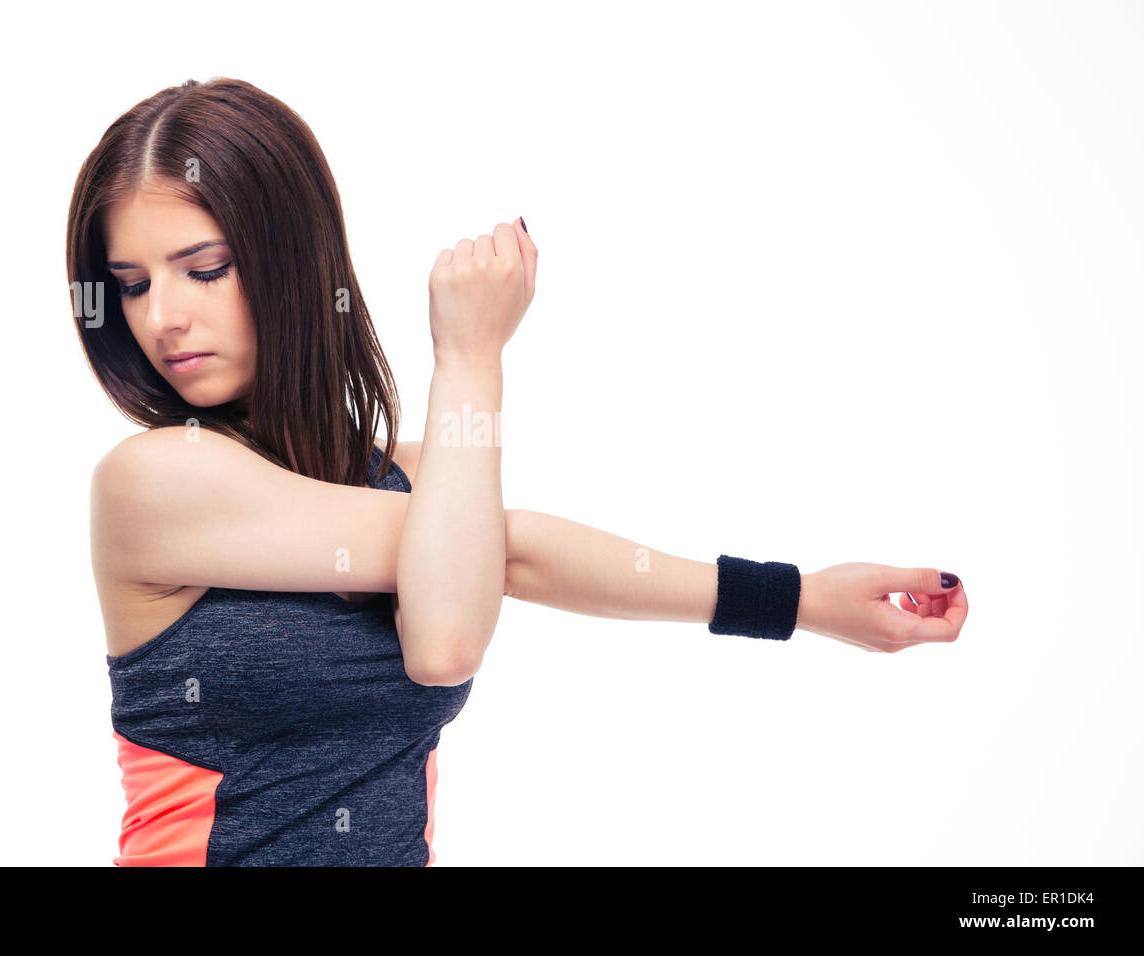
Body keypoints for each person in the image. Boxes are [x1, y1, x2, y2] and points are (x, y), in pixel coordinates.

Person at [67, 77, 969, 866]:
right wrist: (469, 355)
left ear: (290, 260)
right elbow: (446, 641)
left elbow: (520, 553)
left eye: (204, 269)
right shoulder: (151, 484)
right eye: (135, 285)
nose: (164, 320)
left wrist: (803, 601)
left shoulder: (406, 485)